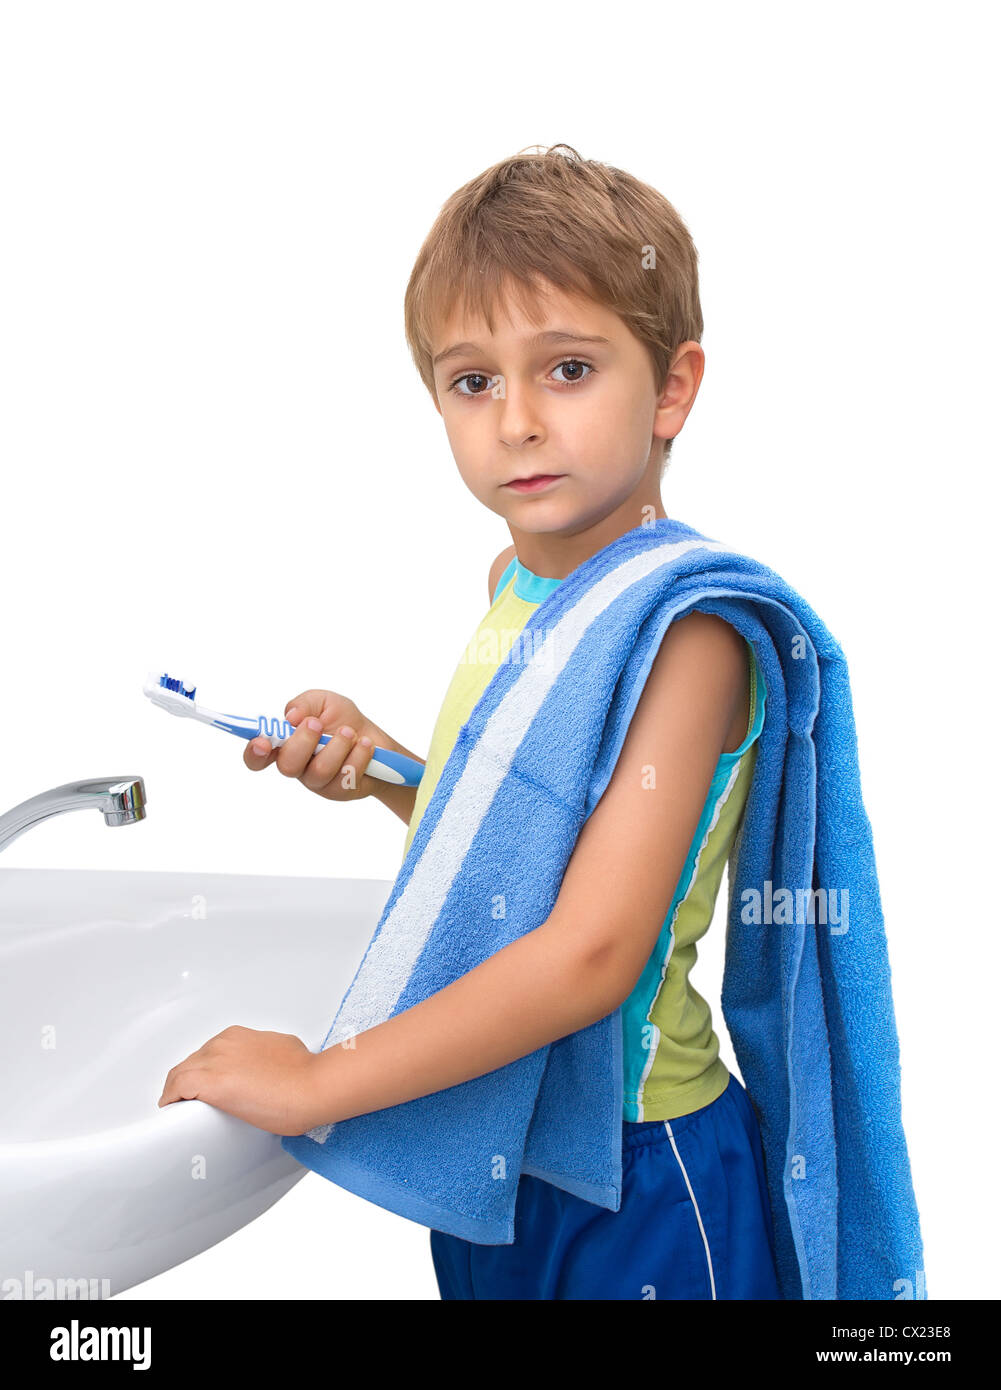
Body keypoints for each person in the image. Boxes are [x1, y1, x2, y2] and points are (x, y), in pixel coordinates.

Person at [162, 143, 783, 1299]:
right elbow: (526, 832)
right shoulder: (516, 585)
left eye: (567, 369)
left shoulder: (687, 634)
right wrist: (392, 773)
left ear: (672, 388)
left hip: (641, 1172)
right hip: (502, 1155)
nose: (516, 422)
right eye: (472, 381)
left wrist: (319, 1079)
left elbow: (594, 952)